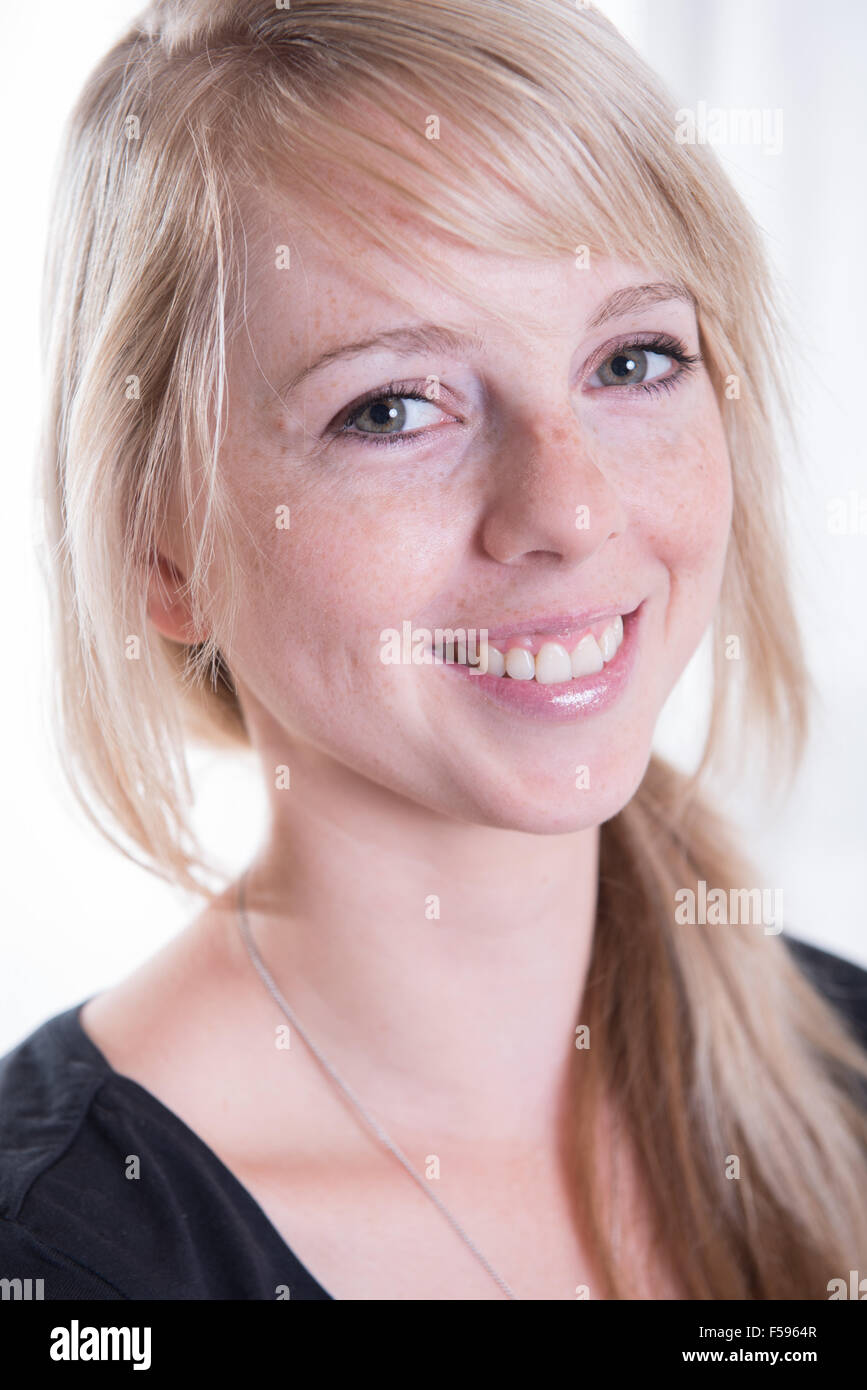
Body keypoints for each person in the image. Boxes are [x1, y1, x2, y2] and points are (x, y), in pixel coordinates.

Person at [1, 0, 865, 1302]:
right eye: (393, 405)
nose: (569, 510)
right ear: (163, 553)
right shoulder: (60, 1261)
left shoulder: (846, 1066)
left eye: (633, 358)